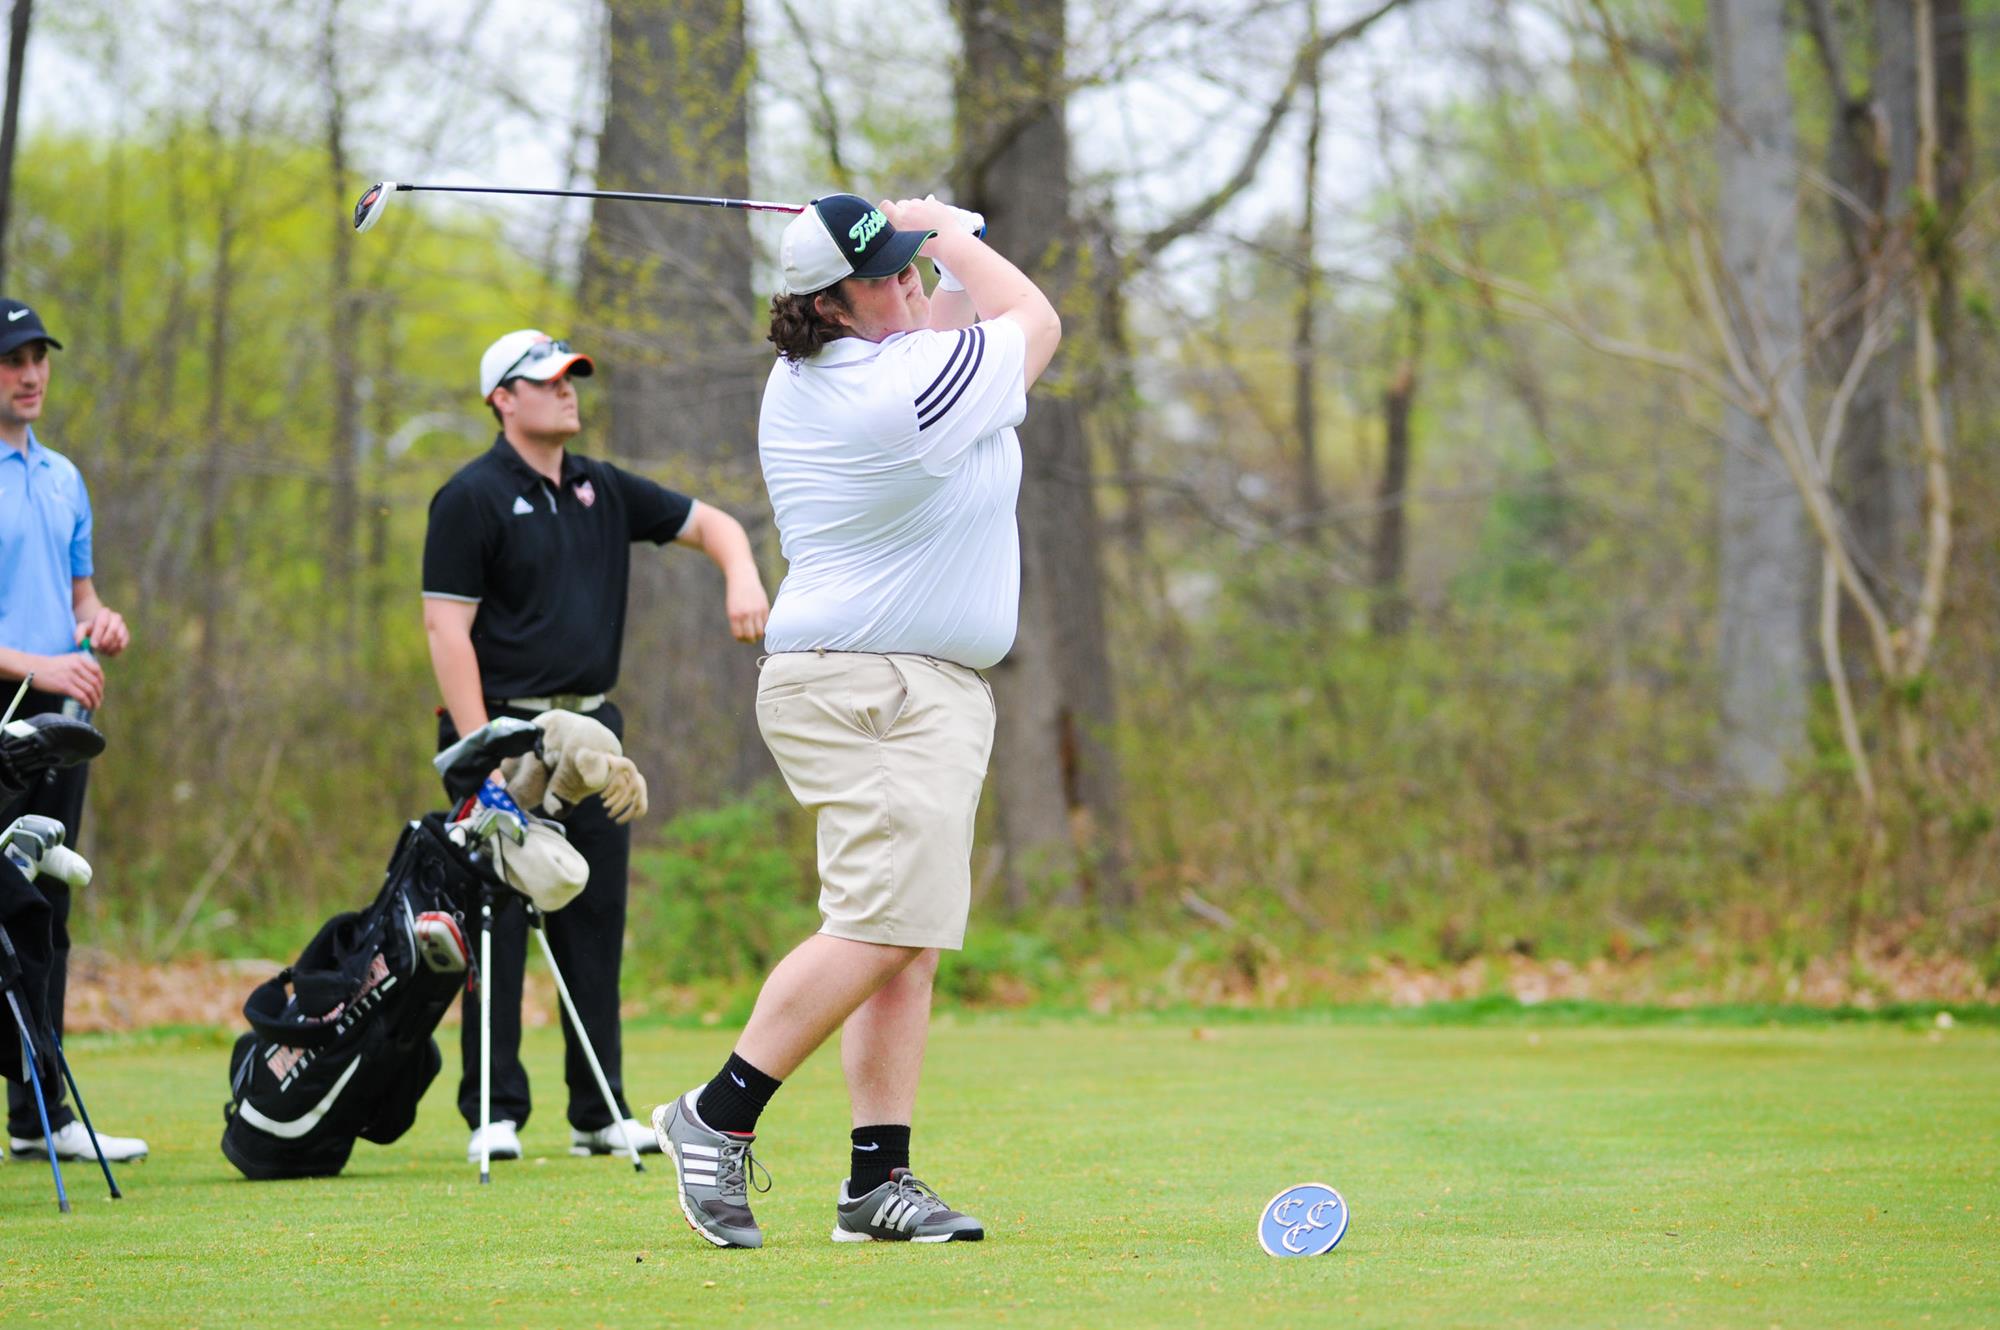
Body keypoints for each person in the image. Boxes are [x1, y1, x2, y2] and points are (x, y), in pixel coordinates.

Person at [652, 193, 1061, 1248]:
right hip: (864, 684)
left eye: (908, 268)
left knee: (907, 934)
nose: (908, 284)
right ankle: (716, 1111)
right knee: (882, 921)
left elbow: (959, 322)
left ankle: (877, 1181)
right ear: (825, 305)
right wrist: (960, 232)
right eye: (884, 276)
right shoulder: (883, 391)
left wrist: (933, 241)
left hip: (913, 684)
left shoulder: (884, 362)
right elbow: (1035, 322)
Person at [422, 329, 770, 1163]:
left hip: (592, 737)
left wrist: (743, 574)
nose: (568, 390)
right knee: (500, 916)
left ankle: (598, 1110)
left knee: (593, 914)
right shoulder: (468, 497)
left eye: (573, 377)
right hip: (503, 731)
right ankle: (494, 1112)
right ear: (503, 399)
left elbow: (713, 524)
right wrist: (482, 754)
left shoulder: (600, 488)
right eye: (547, 381)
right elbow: (446, 626)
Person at [0, 298, 147, 1164]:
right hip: (11, 711)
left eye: (38, 358)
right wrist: (40, 665)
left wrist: (101, 624)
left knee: (45, 915)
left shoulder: (62, 475)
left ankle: (37, 1114)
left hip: (61, 723)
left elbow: (79, 597)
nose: (29, 375)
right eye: (12, 360)